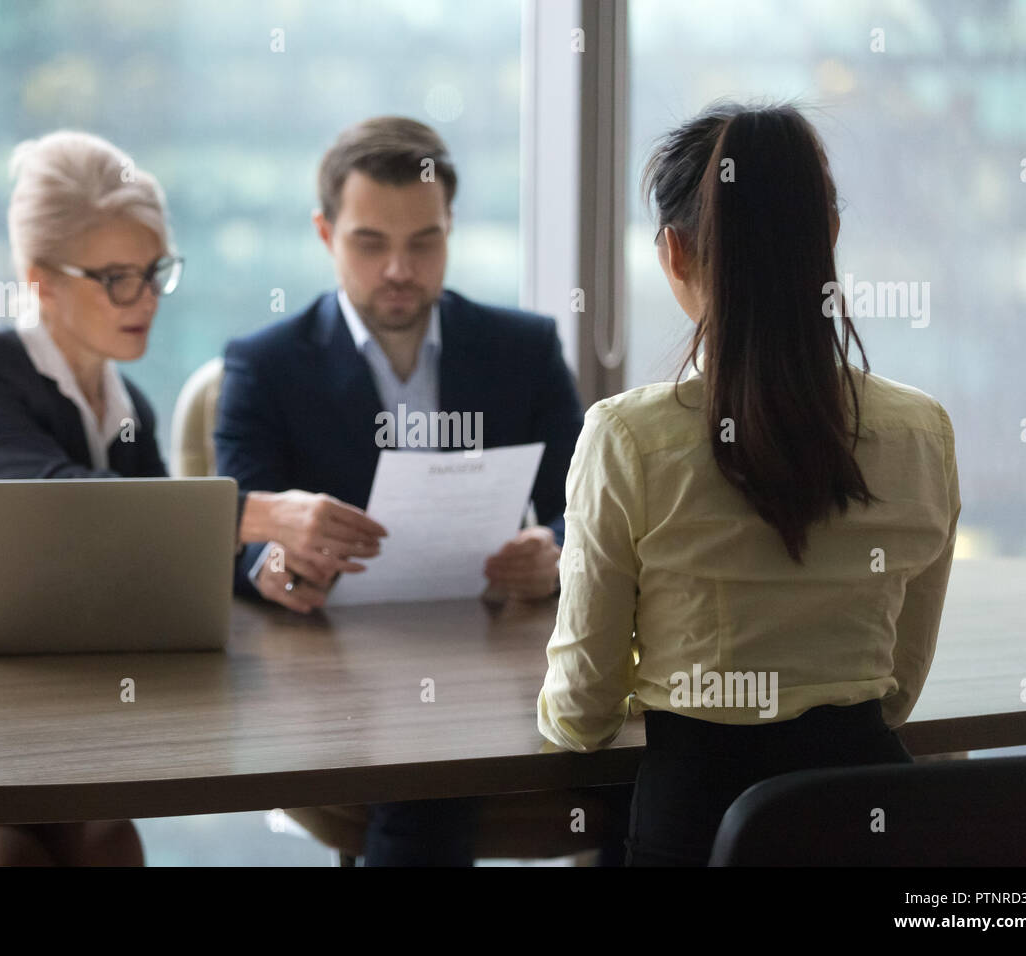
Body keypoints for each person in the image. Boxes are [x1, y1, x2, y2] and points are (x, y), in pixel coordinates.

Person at [0, 130, 346, 866]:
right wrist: (260, 513)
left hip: (16, 700)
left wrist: (261, 565)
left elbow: (162, 550)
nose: (144, 300)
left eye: (153, 273)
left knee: (110, 839)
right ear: (40, 280)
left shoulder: (124, 402)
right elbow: (59, 499)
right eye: (116, 278)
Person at [536, 101, 961, 866]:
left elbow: (583, 712)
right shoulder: (921, 432)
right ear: (828, 237)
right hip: (873, 830)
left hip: (700, 832)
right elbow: (895, 689)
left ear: (674, 253)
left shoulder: (627, 439)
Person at [214, 116, 629, 864]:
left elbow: (591, 510)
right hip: (347, 673)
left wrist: (557, 551)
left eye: (424, 242)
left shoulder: (522, 350)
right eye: (371, 243)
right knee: (427, 787)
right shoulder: (264, 366)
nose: (400, 269)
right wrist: (274, 570)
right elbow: (231, 523)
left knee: (652, 769)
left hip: (503, 653)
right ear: (324, 233)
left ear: (451, 231)